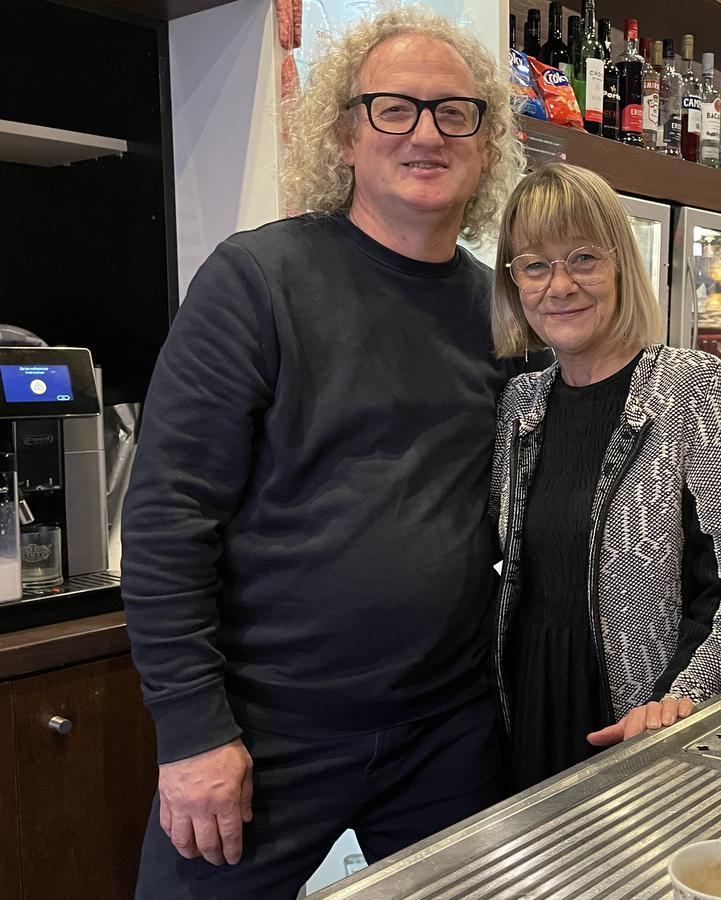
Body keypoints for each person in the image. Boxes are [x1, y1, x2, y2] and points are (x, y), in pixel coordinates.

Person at [121, 7, 524, 897]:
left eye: (456, 113)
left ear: (488, 145)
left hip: (446, 731)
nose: (426, 132)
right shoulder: (257, 281)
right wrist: (191, 734)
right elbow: (165, 518)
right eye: (393, 109)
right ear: (343, 135)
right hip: (265, 732)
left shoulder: (503, 312)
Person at [489, 163, 721, 790]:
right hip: (529, 700)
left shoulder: (693, 387)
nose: (559, 286)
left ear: (621, 264)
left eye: (582, 258)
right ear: (513, 284)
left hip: (640, 713)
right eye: (534, 266)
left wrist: (682, 697)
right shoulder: (522, 402)